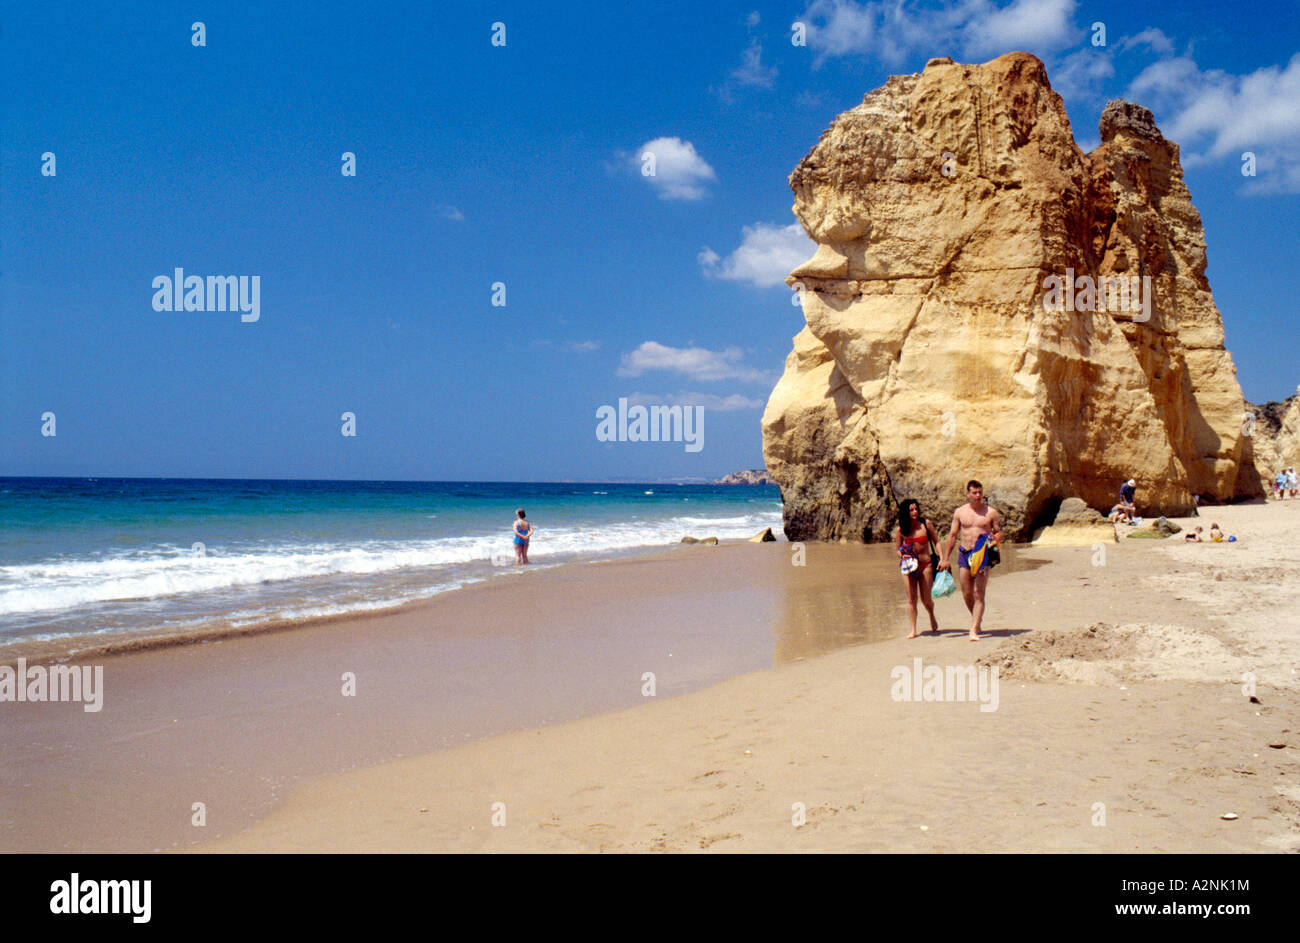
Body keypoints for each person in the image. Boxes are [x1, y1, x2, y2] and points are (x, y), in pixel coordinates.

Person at [938, 480, 1004, 641]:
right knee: (966, 592)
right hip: (964, 554)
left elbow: (1000, 532)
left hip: (982, 555)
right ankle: (977, 620)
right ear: (967, 494)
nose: (978, 496)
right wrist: (945, 558)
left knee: (978, 593)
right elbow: (953, 535)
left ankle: (973, 629)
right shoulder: (960, 512)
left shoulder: (990, 512)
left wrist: (993, 539)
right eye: (974, 493)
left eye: (980, 492)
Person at [894, 499, 941, 639]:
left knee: (926, 599)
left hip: (926, 565)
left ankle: (931, 615)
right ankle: (913, 629)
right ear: (905, 512)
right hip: (909, 567)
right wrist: (902, 554)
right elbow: (898, 549)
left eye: (916, 509)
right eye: (911, 510)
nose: (915, 512)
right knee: (911, 599)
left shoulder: (925, 524)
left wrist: (942, 558)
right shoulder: (901, 529)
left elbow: (936, 542)